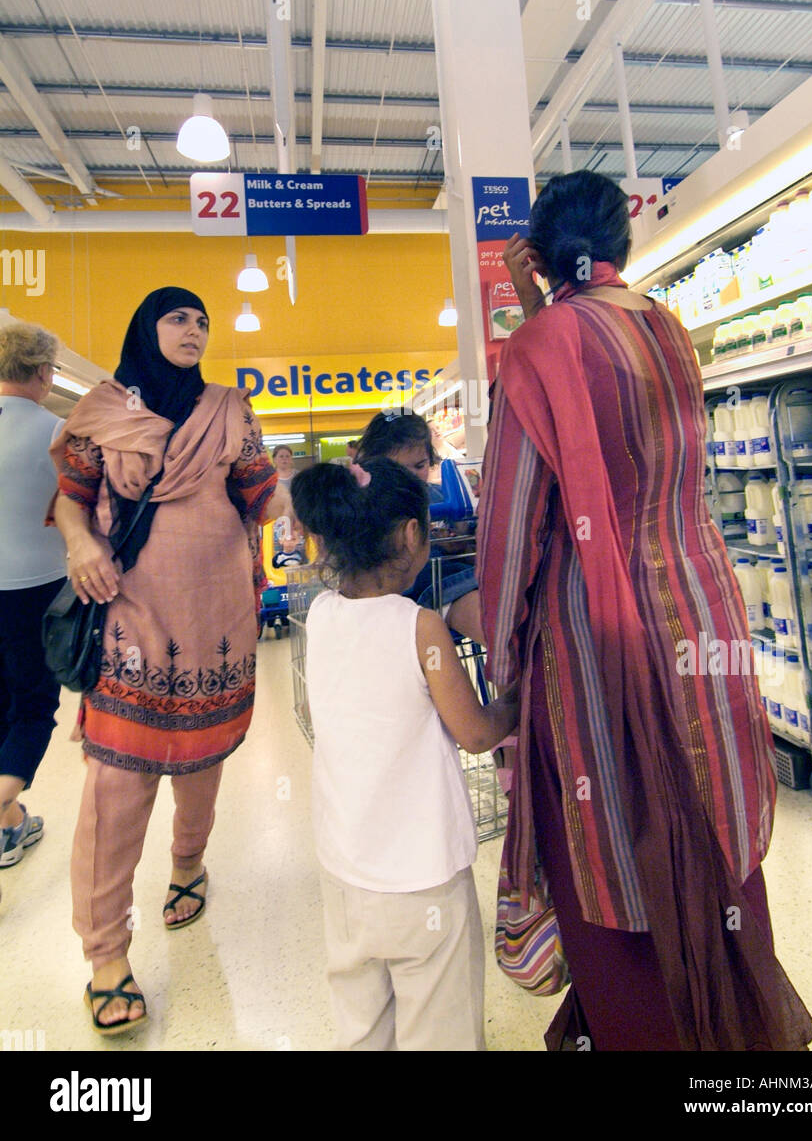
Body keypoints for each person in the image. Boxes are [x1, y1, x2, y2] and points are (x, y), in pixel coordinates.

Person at [477, 171, 812, 1052]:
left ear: (541, 255)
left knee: (608, 830)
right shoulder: (668, 328)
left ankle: (642, 1028)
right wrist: (544, 297)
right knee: (706, 798)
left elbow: (509, 526)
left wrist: (504, 674)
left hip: (601, 629)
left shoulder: (536, 348)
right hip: (701, 601)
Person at [50, 287, 289, 1035]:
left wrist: (341, 495)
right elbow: (69, 496)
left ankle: (188, 864)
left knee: (204, 759)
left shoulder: (230, 409)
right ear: (145, 327)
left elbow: (263, 499)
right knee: (117, 783)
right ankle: (106, 955)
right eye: (178, 317)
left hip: (217, 620)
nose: (194, 329)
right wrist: (82, 541)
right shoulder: (101, 410)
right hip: (129, 613)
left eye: (202, 319)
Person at [290, 457, 517, 1050]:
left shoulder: (320, 613)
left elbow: (321, 714)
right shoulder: (420, 628)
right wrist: (520, 698)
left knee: (362, 1023)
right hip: (422, 876)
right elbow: (474, 733)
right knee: (439, 1025)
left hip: (345, 868)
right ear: (412, 534)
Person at [0, 323, 68, 875]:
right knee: (32, 706)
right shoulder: (58, 432)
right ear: (45, 373)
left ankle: (10, 825)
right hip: (35, 588)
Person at [355, 411, 483, 643]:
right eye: (399, 468)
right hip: (426, 588)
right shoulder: (373, 505)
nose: (411, 476)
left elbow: (464, 535)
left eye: (420, 465)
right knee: (487, 622)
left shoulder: (440, 494)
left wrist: (462, 539)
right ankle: (510, 652)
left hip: (470, 576)